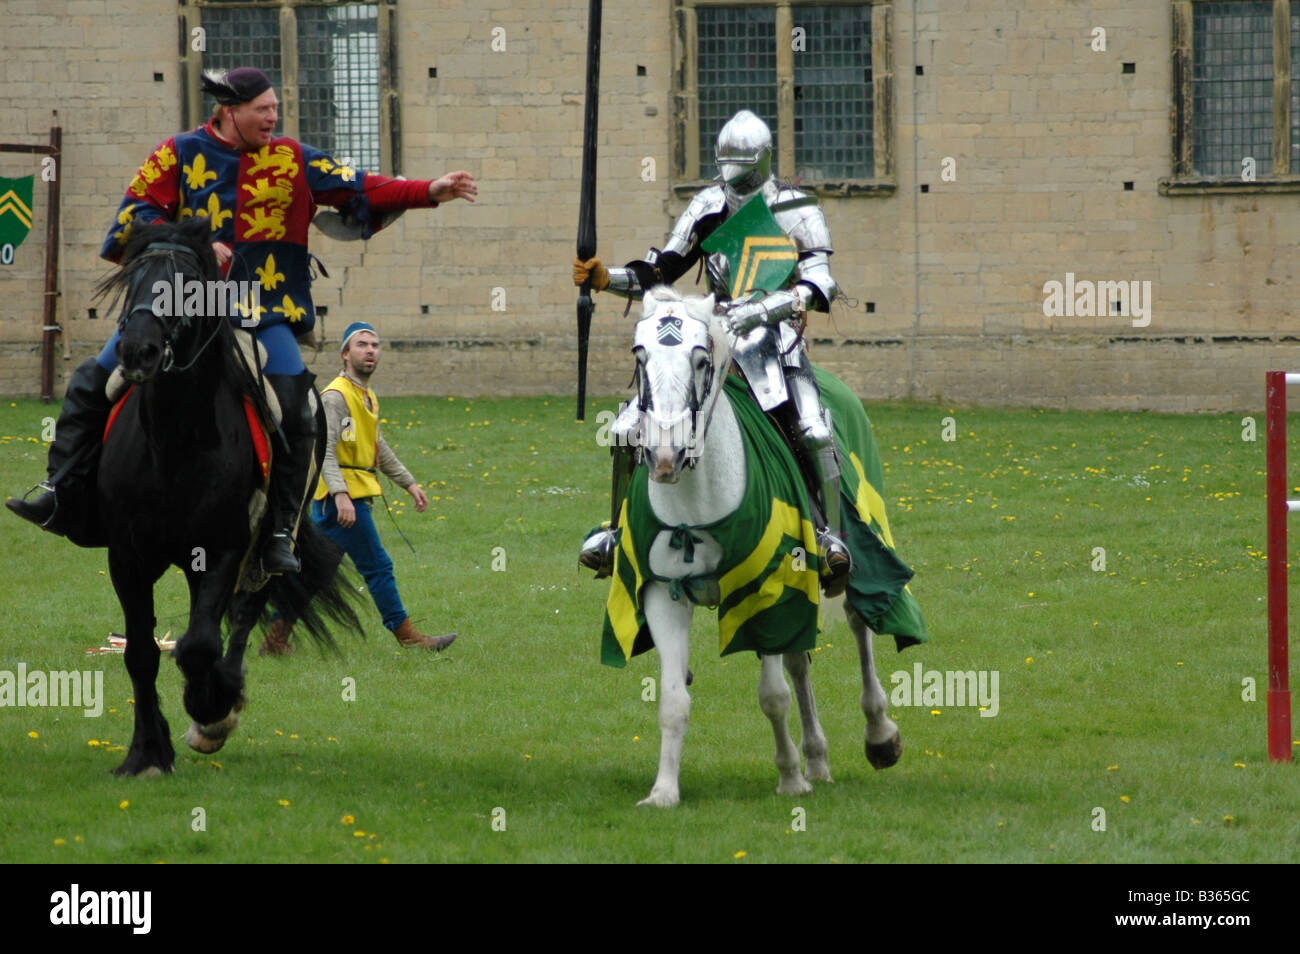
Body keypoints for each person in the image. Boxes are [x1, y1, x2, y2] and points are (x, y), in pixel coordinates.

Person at [6, 66, 477, 575]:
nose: (273, 117)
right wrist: (193, 242)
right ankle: (59, 491)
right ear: (230, 110)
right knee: (91, 379)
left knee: (300, 411)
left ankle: (278, 530)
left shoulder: (293, 158)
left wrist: (430, 190)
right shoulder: (178, 152)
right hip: (181, 304)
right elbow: (133, 215)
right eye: (263, 109)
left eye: (275, 108)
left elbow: (358, 186)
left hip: (261, 307)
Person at [572, 109, 850, 593]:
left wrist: (765, 311)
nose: (734, 179)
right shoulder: (707, 204)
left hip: (775, 340)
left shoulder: (796, 209)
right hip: (712, 337)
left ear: (763, 160)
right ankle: (615, 533)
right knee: (624, 426)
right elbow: (661, 272)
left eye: (743, 167)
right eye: (728, 167)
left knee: (814, 429)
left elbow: (820, 283)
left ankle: (829, 538)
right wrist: (606, 278)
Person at [260, 321, 456, 654]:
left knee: (314, 573)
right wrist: (341, 495)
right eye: (362, 345)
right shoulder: (336, 396)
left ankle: (275, 637)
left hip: (349, 495)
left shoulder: (365, 396)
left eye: (375, 345)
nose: (370, 351)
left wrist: (408, 483)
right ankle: (408, 637)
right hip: (344, 500)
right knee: (378, 565)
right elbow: (323, 449)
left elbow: (377, 446)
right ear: (345, 353)